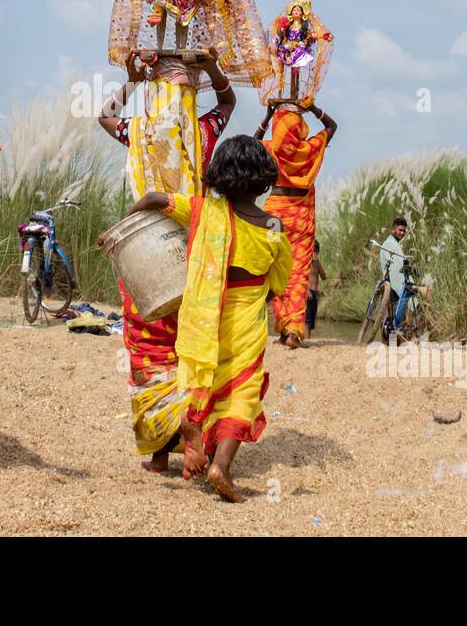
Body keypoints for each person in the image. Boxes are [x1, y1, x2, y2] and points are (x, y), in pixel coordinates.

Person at [107, 135, 291, 502]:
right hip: (246, 326)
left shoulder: (204, 212)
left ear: (220, 176)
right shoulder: (274, 228)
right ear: (264, 179)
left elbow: (155, 200)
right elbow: (278, 283)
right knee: (241, 391)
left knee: (200, 382)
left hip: (204, 323)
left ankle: (185, 432)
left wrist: (121, 230)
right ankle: (221, 465)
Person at [97, 47, 234, 474]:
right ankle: (195, 430)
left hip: (143, 252)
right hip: (192, 245)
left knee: (147, 343)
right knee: (192, 342)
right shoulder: (202, 131)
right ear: (192, 92)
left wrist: (134, 79)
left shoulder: (136, 130)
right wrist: (210, 67)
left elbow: (104, 114)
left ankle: (158, 451)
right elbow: (228, 102)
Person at [255, 101, 336, 349]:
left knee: (277, 271)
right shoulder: (309, 148)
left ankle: (282, 325)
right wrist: (312, 109)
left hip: (276, 215)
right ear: (300, 128)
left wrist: (268, 116)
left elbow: (252, 141)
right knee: (299, 273)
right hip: (300, 215)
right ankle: (293, 331)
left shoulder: (271, 149)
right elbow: (332, 126)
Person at [379, 216, 411, 330]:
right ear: (393, 230)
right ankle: (409, 334)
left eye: (404, 231)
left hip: (387, 282)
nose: (402, 233)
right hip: (391, 284)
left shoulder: (391, 244)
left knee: (390, 316)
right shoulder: (391, 244)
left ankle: (390, 341)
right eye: (400, 230)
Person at [305, 239, 326, 335]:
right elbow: (301, 277)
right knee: (307, 320)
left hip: (315, 294)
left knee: (311, 321)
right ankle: (306, 340)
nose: (314, 253)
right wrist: (306, 290)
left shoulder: (317, 263)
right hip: (308, 292)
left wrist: (318, 263)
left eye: (316, 251)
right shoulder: (306, 263)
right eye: (313, 251)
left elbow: (324, 277)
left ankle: (307, 338)